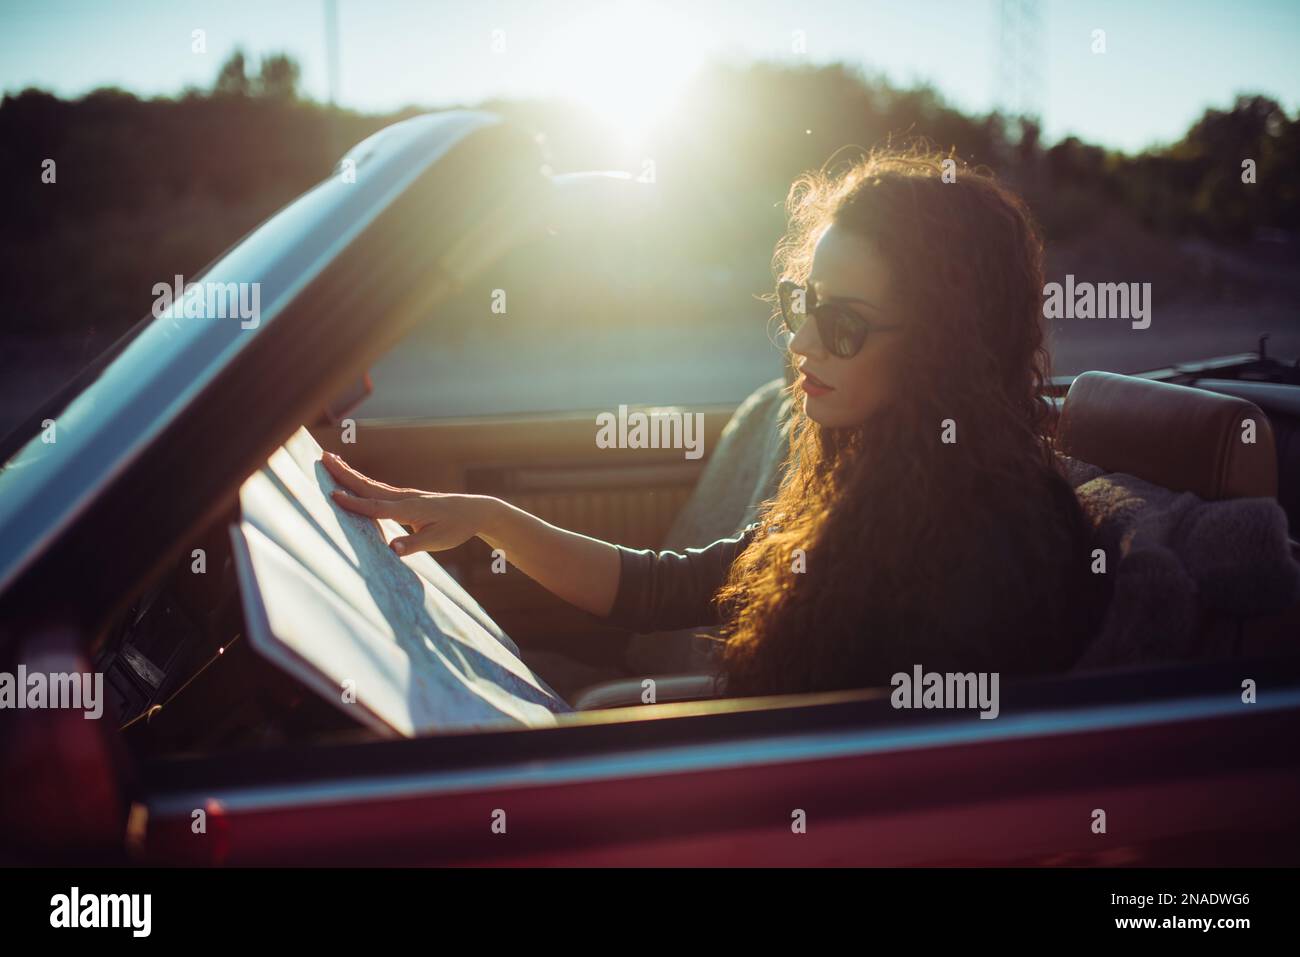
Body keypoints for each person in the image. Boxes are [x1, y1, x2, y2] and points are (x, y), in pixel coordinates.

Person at [324, 149, 1103, 699]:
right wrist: (487, 518)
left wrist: (611, 726)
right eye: (803, 302)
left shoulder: (994, 543)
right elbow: (663, 587)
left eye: (843, 324)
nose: (799, 341)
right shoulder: (877, 484)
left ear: (944, 346)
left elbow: (870, 779)